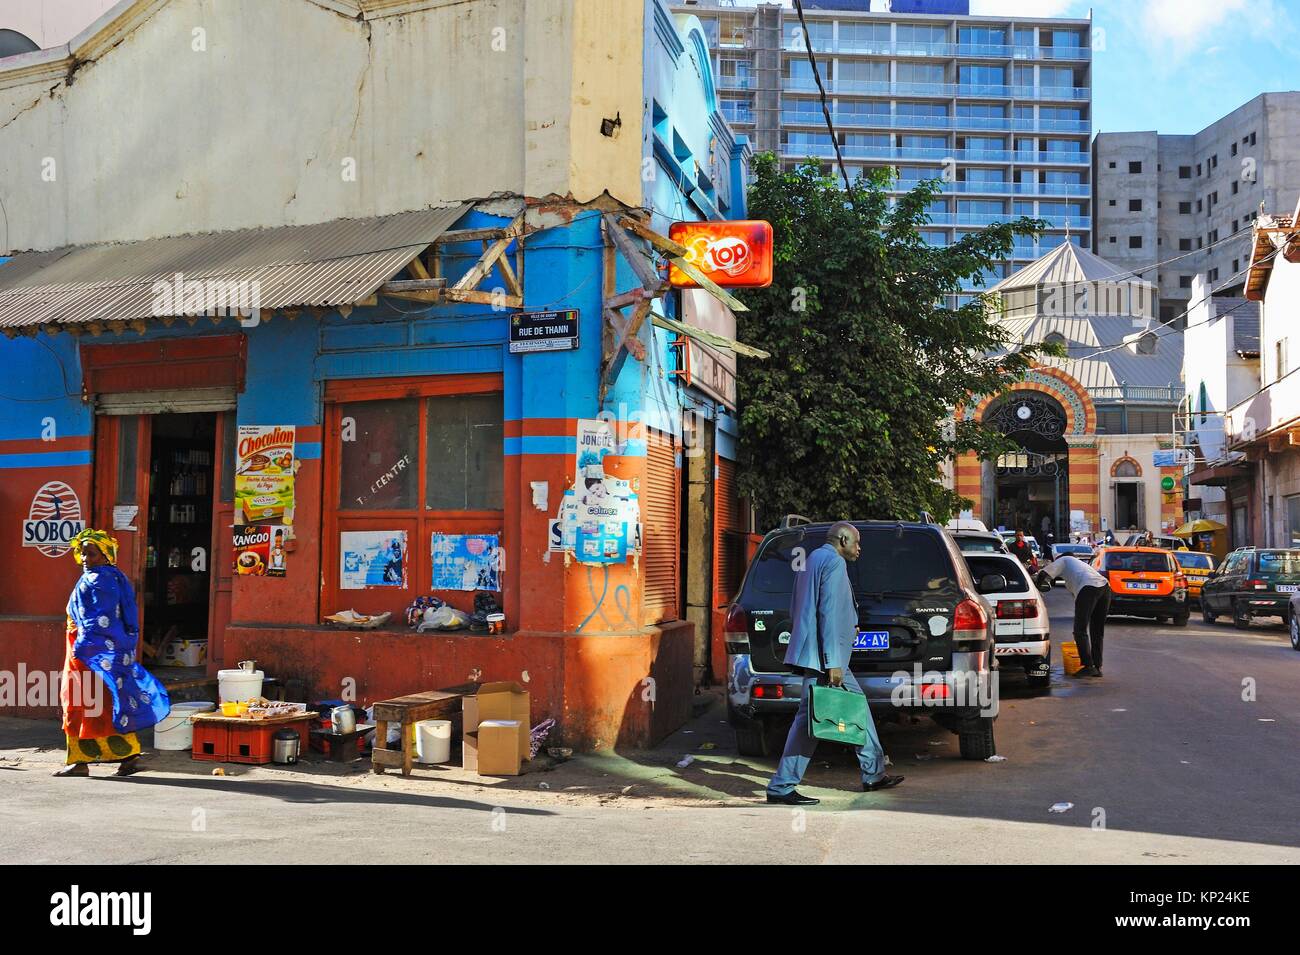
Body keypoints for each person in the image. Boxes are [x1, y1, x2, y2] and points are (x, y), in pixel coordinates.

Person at [766, 522, 904, 806]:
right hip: (825, 658)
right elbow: (827, 612)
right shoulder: (834, 563)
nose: (859, 549)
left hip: (822, 654)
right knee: (809, 722)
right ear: (843, 539)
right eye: (857, 543)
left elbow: (800, 606)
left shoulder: (814, 559)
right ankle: (781, 787)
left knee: (857, 706)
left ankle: (874, 773)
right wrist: (832, 661)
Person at [56, 529, 170, 777]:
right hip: (106, 652)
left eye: (92, 554)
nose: (85, 558)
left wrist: (84, 648)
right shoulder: (114, 577)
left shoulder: (97, 580)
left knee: (77, 703)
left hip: (89, 652)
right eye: (83, 553)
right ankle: (128, 756)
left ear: (106, 555)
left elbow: (99, 618)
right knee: (111, 701)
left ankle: (79, 762)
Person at [1036, 553, 1111, 679]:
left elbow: (1043, 574)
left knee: (1079, 630)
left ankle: (1088, 666)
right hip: (1105, 588)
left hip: (1089, 588)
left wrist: (1037, 589)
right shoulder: (1079, 568)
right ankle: (1097, 667)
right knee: (1097, 630)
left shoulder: (1064, 559)